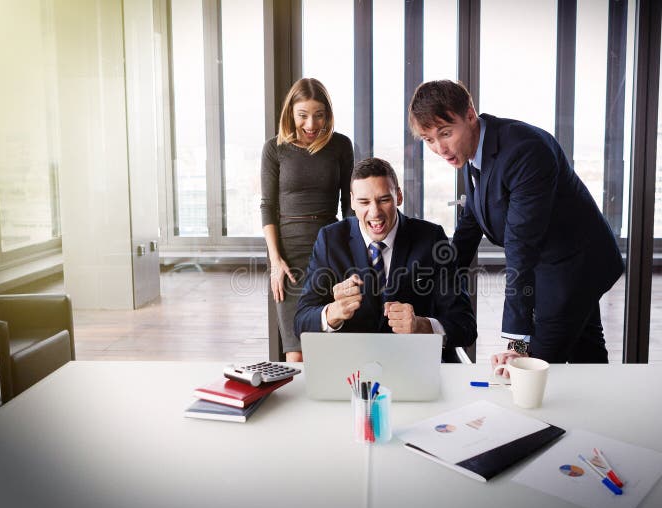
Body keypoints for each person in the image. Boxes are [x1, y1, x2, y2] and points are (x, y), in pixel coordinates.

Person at [408, 80, 624, 367]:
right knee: (588, 355)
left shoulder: (524, 151)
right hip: (559, 264)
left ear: (470, 115)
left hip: (572, 266)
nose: (440, 148)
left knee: (534, 369)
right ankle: (603, 408)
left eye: (445, 134)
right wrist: (431, 286)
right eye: (429, 140)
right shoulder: (471, 151)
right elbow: (470, 224)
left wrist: (517, 343)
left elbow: (520, 249)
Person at [294, 157, 476, 362]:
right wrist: (332, 314)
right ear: (352, 201)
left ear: (398, 196)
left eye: (384, 200)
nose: (375, 212)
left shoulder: (432, 238)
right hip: (351, 368)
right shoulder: (330, 240)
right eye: (364, 202)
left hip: (415, 365)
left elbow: (465, 326)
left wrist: (421, 326)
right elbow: (301, 321)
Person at [261, 78, 354, 362]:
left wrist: (350, 257)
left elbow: (349, 206)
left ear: (328, 115)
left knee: (327, 344)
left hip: (329, 249)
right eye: (303, 115)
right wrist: (275, 261)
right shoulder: (275, 149)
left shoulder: (341, 145)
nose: (311, 124)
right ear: (291, 113)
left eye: (319, 115)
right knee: (296, 352)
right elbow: (268, 206)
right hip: (287, 256)